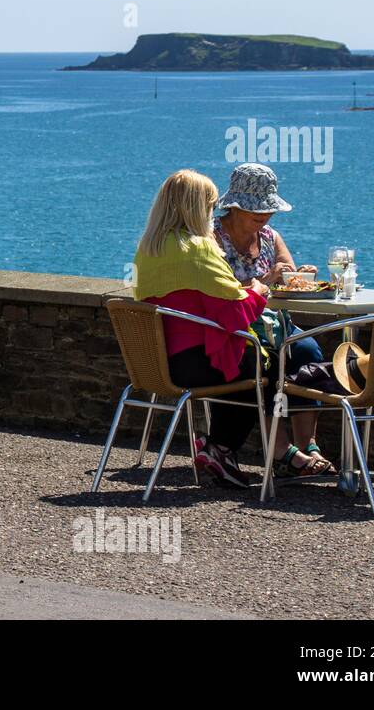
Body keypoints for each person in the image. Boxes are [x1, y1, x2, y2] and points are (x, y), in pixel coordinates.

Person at [133, 169, 330, 489]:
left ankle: (258, 452)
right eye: (210, 206)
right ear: (195, 208)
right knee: (257, 362)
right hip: (192, 363)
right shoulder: (198, 249)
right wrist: (262, 290)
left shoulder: (151, 248)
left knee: (258, 355)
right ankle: (223, 449)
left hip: (157, 361)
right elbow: (236, 311)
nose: (213, 213)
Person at [213, 163, 332, 477]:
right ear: (234, 206)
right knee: (266, 361)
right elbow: (223, 293)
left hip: (274, 323)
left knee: (309, 352)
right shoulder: (213, 239)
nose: (264, 215)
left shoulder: (269, 236)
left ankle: (308, 445)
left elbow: (286, 280)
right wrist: (268, 277)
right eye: (256, 210)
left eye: (268, 209)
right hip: (239, 325)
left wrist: (301, 276)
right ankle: (282, 452)